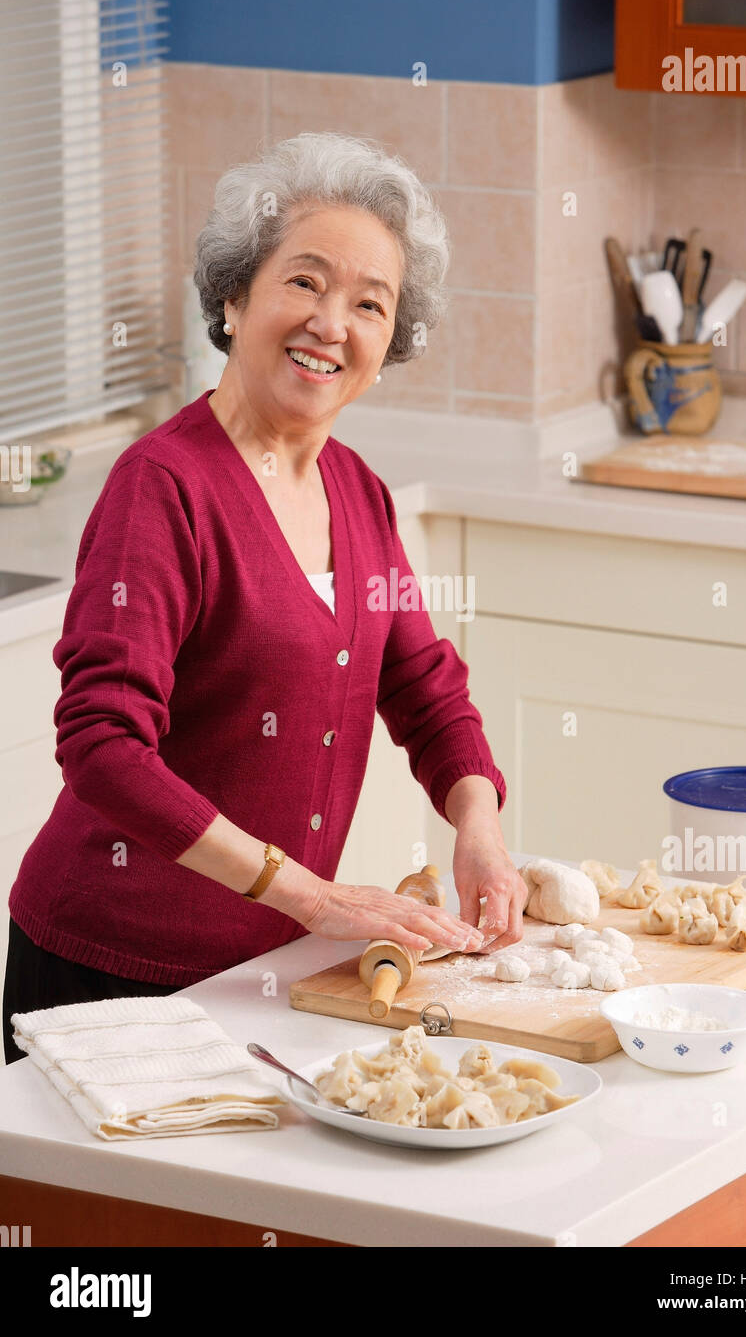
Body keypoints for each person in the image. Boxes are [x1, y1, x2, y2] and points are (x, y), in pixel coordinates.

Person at [3, 131, 524, 1064]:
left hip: (262, 966)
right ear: (235, 298)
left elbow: (426, 688)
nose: (334, 322)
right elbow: (103, 748)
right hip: (112, 970)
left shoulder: (357, 491)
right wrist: (315, 898)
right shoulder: (161, 488)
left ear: (387, 345)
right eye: (306, 282)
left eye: (371, 304)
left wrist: (478, 828)